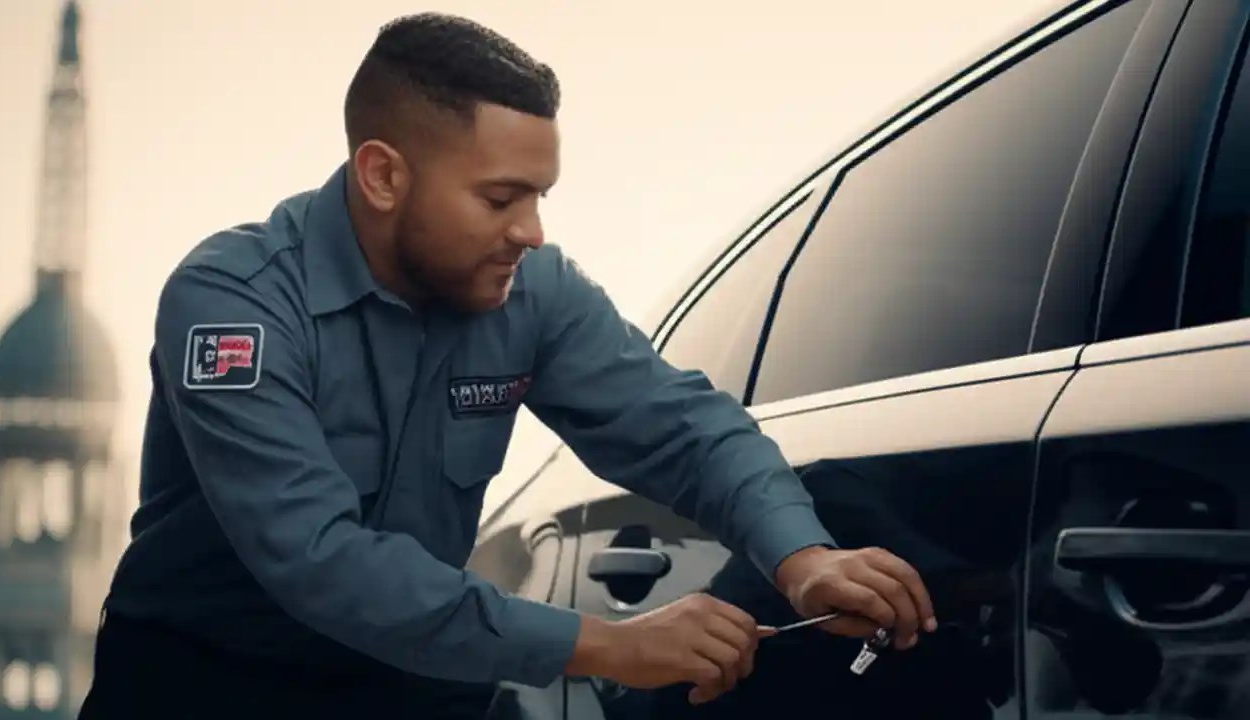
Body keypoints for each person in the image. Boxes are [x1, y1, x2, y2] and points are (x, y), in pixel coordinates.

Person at [79, 12, 937, 719]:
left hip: (415, 689)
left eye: (540, 196)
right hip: (200, 688)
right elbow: (320, 560)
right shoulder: (233, 302)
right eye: (500, 198)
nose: (531, 229)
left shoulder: (536, 293)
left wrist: (802, 558)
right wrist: (607, 645)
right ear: (382, 175)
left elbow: (685, 430)